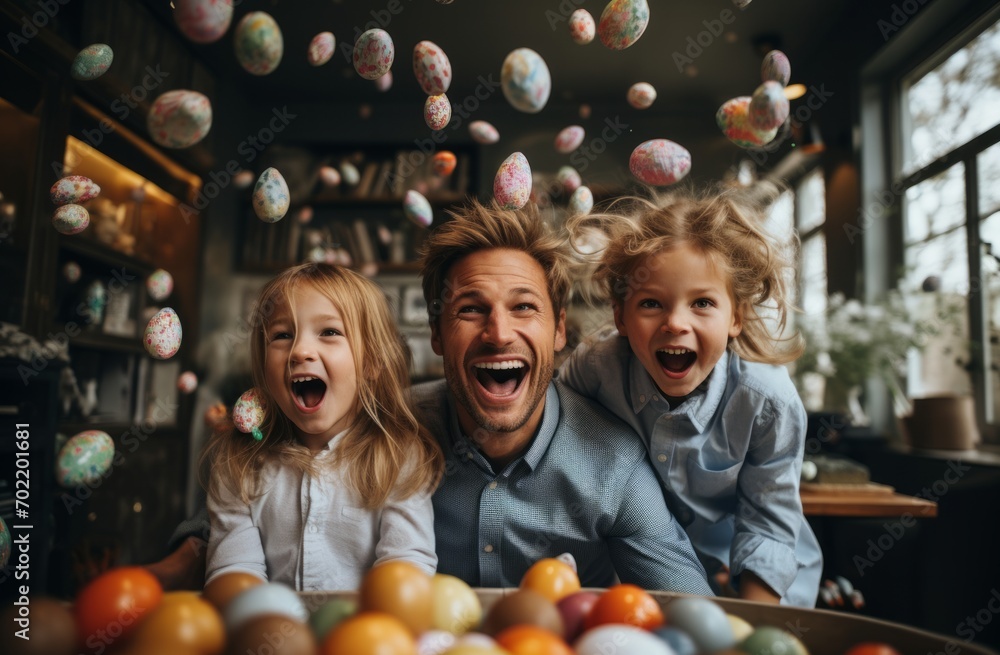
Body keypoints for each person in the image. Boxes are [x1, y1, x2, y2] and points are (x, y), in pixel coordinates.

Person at [413, 199, 713, 592]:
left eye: (523, 307)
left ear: (558, 330)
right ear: (437, 334)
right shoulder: (387, 432)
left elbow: (690, 611)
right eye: (470, 310)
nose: (499, 333)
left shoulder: (614, 464)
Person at [560, 186, 822, 606]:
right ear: (620, 316)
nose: (675, 323)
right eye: (651, 303)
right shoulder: (596, 368)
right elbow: (558, 453)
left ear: (735, 316)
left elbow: (768, 524)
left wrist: (748, 626)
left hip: (752, 574)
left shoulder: (767, 401)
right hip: (635, 570)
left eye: (702, 302)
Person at [202, 263, 443, 591]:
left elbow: (406, 567)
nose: (299, 351)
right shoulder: (238, 464)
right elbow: (234, 568)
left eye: (329, 332)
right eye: (282, 335)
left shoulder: (400, 457)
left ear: (371, 361)